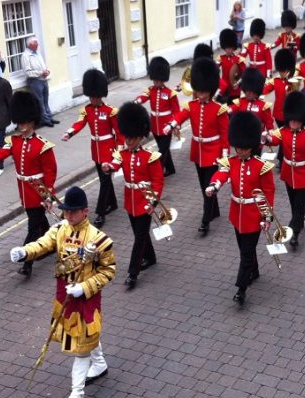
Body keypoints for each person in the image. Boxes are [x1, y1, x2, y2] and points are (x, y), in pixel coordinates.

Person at [9, 185, 115, 398]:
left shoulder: (100, 239)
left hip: (85, 297)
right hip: (63, 294)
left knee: (80, 347)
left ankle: (76, 395)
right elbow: (43, 244)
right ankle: (100, 365)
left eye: (73, 212)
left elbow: (108, 271)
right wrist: (25, 252)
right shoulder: (59, 229)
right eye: (66, 211)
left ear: (85, 211)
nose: (68, 216)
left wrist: (84, 287)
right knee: (86, 334)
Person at [0, 90, 57, 276]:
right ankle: (52, 243)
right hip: (24, 190)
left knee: (33, 227)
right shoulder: (14, 141)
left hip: (38, 190)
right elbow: (0, 153)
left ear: (32, 121)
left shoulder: (43, 145)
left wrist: (48, 196)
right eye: (19, 121)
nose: (21, 125)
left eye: (24, 121)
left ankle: (27, 261)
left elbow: (50, 173)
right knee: (39, 221)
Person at [206, 112, 276, 306]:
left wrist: (267, 216)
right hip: (237, 214)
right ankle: (254, 270)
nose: (240, 151)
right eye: (238, 147)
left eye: (244, 148)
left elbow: (267, 193)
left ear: (251, 146)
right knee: (244, 249)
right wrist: (214, 186)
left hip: (254, 215)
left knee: (245, 253)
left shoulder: (262, 167)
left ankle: (241, 288)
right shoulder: (231, 161)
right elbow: (221, 174)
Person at [164, 57, 230, 236]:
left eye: (203, 91)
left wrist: (225, 155)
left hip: (214, 151)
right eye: (198, 90)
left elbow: (225, 134)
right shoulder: (191, 105)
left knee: (209, 184)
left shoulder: (219, 109)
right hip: (198, 151)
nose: (200, 94)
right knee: (204, 186)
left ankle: (205, 220)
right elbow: (180, 116)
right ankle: (214, 210)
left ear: (210, 89)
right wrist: (171, 125)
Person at [102, 103, 163, 289]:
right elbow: (115, 163)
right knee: (140, 234)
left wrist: (153, 200)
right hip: (130, 200)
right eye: (127, 138)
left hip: (144, 201)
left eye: (132, 138)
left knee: (138, 239)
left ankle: (132, 273)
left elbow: (158, 181)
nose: (128, 141)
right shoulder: (122, 154)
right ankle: (150, 257)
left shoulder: (150, 157)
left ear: (140, 137)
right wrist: (108, 167)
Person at [264, 91, 305, 250]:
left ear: (302, 121)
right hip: (288, 174)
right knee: (294, 204)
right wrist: (265, 137)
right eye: (291, 120)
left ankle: (294, 233)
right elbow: (274, 141)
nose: (293, 123)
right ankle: (300, 221)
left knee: (299, 206)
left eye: (296, 121)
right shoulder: (283, 132)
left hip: (304, 176)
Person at [62, 69, 122, 228]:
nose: (93, 99)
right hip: (96, 151)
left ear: (100, 95)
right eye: (91, 97)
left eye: (95, 97)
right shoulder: (87, 110)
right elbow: (79, 123)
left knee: (104, 182)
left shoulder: (110, 111)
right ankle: (113, 203)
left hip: (109, 151)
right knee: (106, 180)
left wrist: (119, 153)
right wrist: (69, 133)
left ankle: (101, 213)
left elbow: (119, 134)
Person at [135, 57, 180, 177]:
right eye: (154, 80)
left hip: (166, 126)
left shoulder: (170, 93)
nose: (156, 82)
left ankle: (156, 173)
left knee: (162, 151)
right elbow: (143, 97)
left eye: (158, 80)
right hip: (155, 125)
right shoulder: (150, 90)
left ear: (163, 79)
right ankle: (170, 169)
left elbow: (176, 110)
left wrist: (176, 125)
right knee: (163, 148)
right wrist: (136, 102)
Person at [21, 36, 58, 127]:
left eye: (37, 43)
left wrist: (47, 71)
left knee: (45, 100)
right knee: (39, 101)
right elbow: (28, 72)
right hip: (35, 81)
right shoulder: (25, 56)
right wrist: (41, 73)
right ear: (29, 45)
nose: (38, 45)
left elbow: (43, 66)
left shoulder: (37, 53)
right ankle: (45, 120)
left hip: (43, 79)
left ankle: (49, 117)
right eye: (35, 43)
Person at [216, 28, 246, 104]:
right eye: (227, 48)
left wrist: (238, 83)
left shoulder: (239, 59)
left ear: (233, 47)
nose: (228, 50)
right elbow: (214, 70)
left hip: (235, 90)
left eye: (230, 48)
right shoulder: (220, 58)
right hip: (224, 90)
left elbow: (245, 74)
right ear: (224, 47)